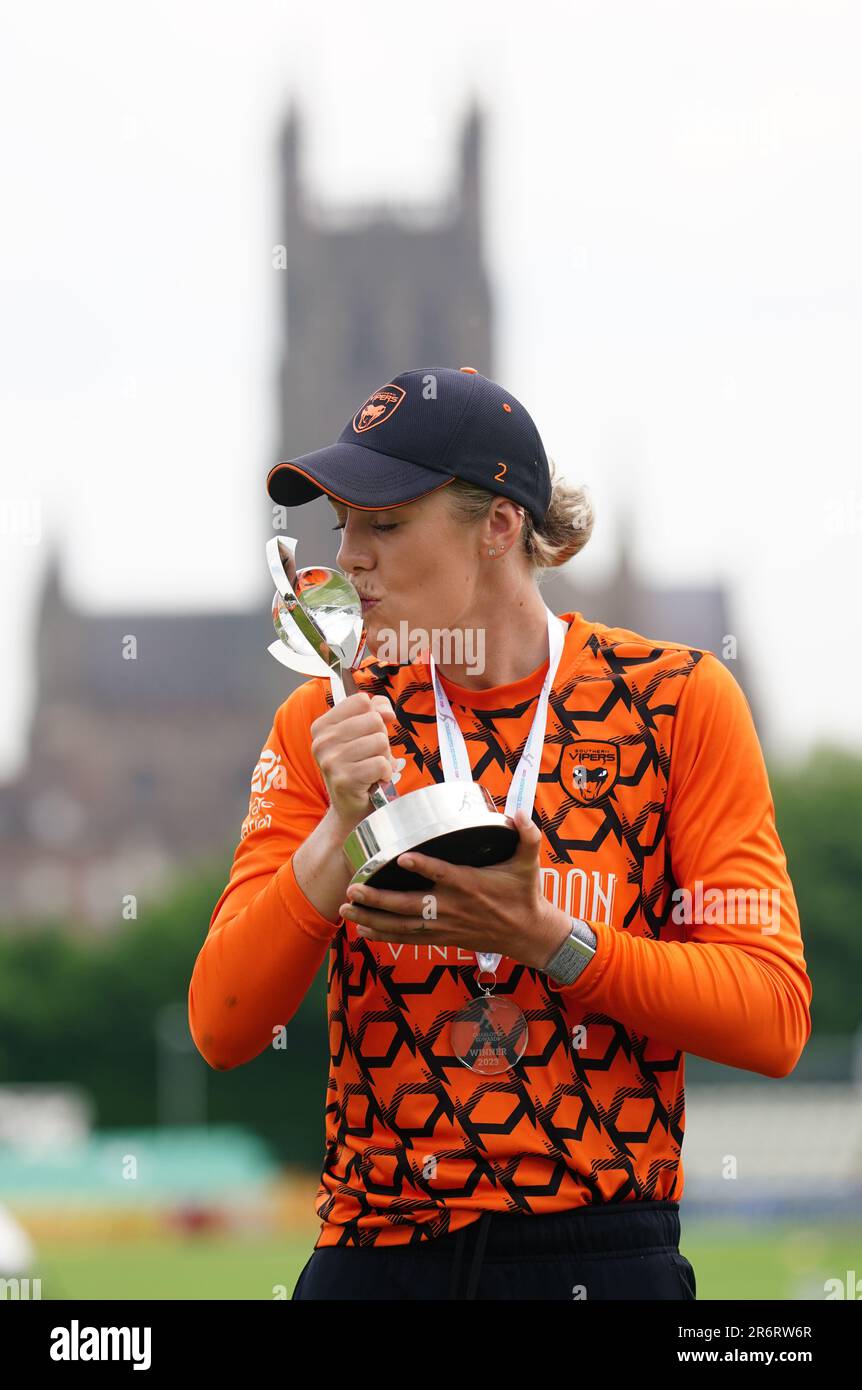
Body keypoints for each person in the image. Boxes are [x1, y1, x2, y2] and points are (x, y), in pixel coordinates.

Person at [188, 366, 812, 1300]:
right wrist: (336, 834)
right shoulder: (326, 718)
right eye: (342, 526)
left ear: (499, 525)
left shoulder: (677, 702)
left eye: (387, 524)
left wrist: (547, 941)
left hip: (605, 1256)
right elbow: (223, 1024)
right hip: (374, 1258)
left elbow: (772, 1017)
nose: (349, 559)